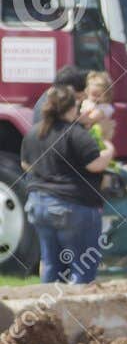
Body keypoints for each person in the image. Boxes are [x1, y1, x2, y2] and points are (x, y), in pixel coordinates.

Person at [20, 85, 112, 284]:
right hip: (73, 207)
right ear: (73, 107)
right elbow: (95, 165)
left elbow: (26, 164)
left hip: (39, 205)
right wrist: (109, 150)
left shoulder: (34, 132)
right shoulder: (76, 134)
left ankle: (50, 312)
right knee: (82, 267)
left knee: (51, 264)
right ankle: (79, 311)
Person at [81, 70, 116, 152]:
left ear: (107, 95)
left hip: (99, 140)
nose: (95, 98)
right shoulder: (86, 102)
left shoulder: (105, 108)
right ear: (87, 92)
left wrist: (76, 118)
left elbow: (91, 118)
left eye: (99, 95)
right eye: (93, 95)